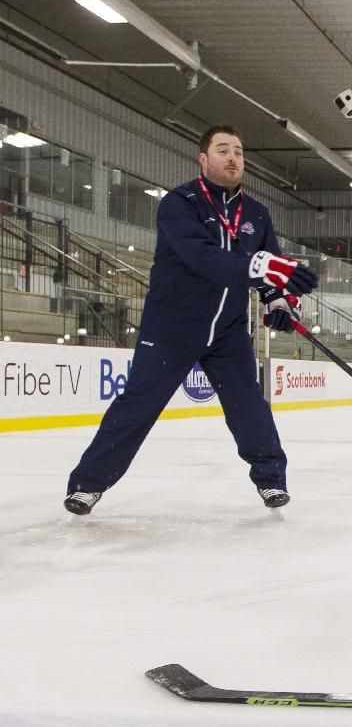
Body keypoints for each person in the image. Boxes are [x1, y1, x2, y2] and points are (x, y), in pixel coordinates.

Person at [63, 125, 318, 515]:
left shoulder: (256, 213)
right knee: (138, 405)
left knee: (248, 405)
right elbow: (205, 259)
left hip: (228, 330)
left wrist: (280, 302)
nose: (233, 157)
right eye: (222, 150)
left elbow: (269, 270)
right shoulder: (179, 203)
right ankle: (88, 484)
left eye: (238, 150)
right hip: (172, 327)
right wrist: (266, 266)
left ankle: (271, 480)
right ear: (203, 159)